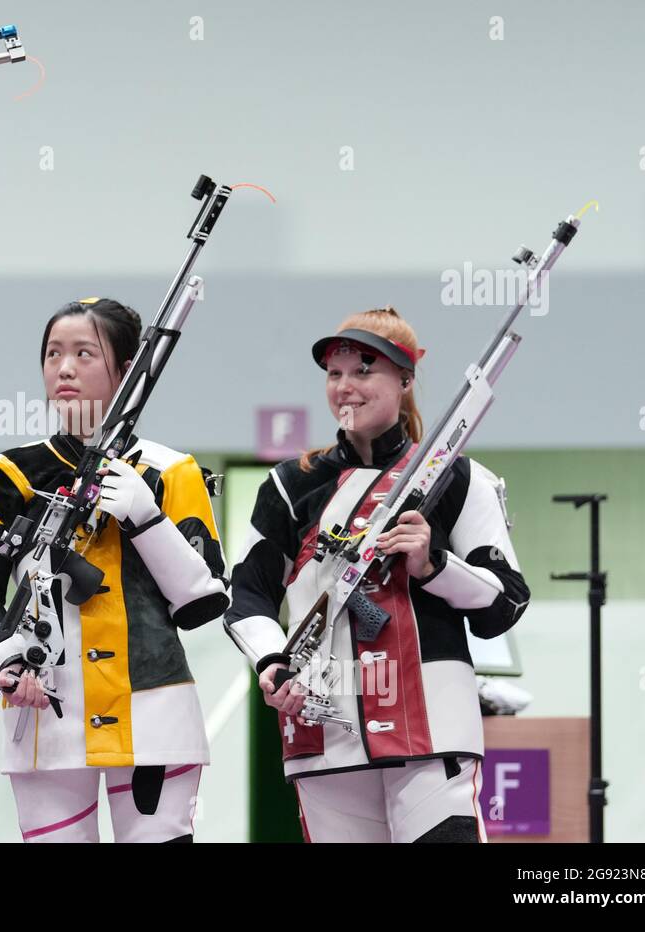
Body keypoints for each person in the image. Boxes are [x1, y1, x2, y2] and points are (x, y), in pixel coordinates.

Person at [224, 306, 529, 843]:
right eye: (335, 373)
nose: (345, 386)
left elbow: (505, 606)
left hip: (432, 725)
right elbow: (246, 595)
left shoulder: (458, 476)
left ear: (405, 380)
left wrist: (432, 565)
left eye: (365, 369)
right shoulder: (290, 484)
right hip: (324, 726)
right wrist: (272, 662)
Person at [0, 297, 229, 842]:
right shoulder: (12, 472)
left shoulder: (171, 470)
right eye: (53, 354)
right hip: (45, 711)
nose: (64, 368)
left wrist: (145, 517)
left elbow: (202, 601)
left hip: (154, 715)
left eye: (85, 353)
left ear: (127, 372)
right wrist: (4, 657)